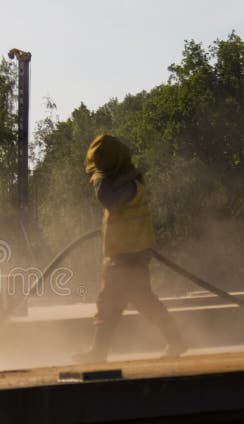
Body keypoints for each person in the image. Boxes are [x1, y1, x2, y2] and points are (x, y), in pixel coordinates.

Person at [77, 134, 187, 360]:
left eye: (100, 163)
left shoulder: (130, 186)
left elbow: (110, 201)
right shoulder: (123, 183)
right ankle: (176, 341)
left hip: (129, 256)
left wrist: (98, 179)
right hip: (124, 254)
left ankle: (99, 352)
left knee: (111, 302)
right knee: (136, 301)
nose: (97, 168)